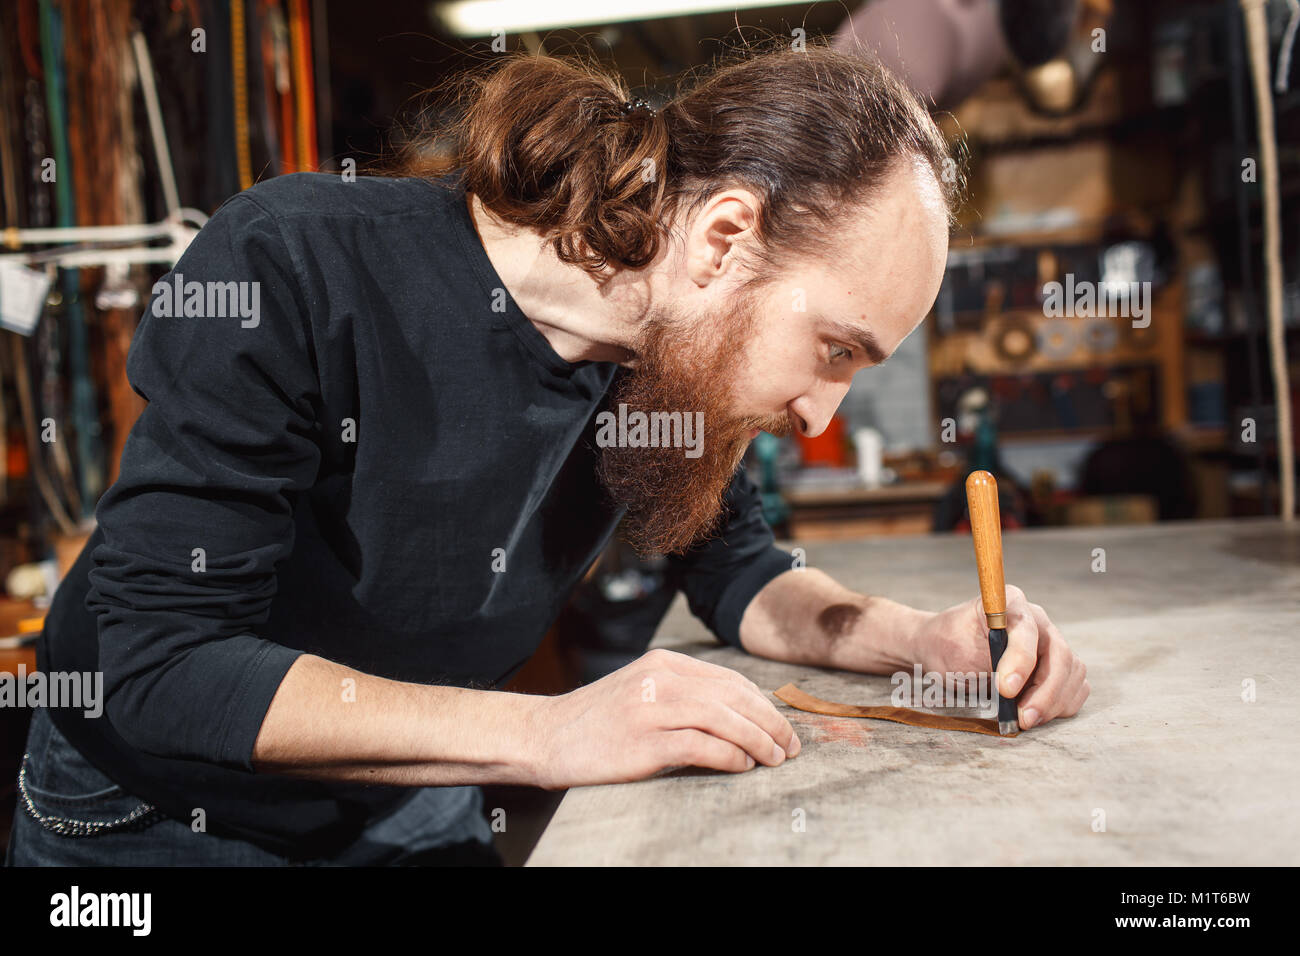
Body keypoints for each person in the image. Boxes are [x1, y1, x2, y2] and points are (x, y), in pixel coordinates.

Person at [7, 41, 1088, 866]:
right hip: (157, 812)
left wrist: (918, 640)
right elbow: (159, 664)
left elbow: (739, 574)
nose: (819, 413)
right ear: (722, 236)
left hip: (417, 777)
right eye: (834, 347)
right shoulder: (293, 265)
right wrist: (553, 731)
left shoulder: (672, 369)